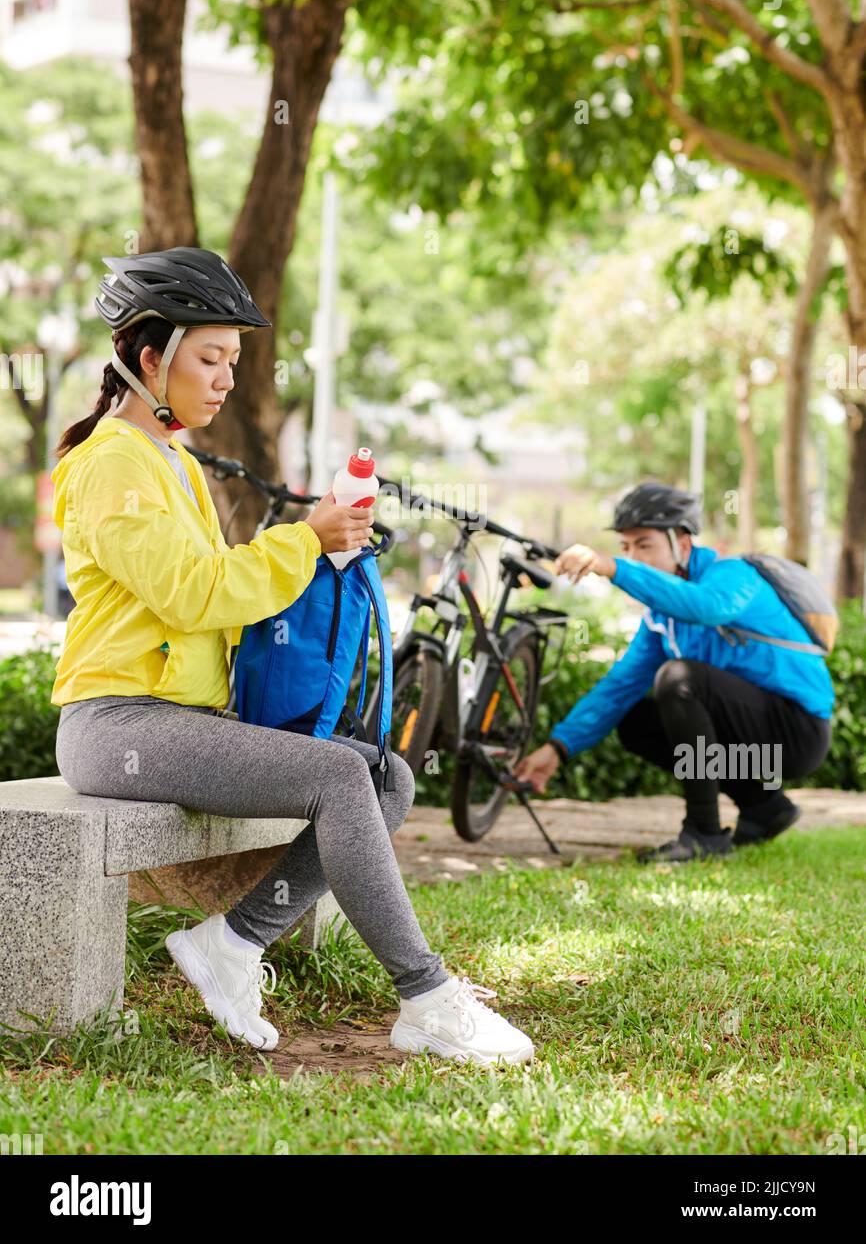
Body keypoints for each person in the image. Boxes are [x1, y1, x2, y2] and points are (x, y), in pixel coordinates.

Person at [51, 246, 532, 1065]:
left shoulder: (172, 461)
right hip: (116, 726)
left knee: (384, 773)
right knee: (338, 776)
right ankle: (426, 998)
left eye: (234, 360)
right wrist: (302, 540)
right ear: (146, 356)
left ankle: (233, 946)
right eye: (210, 357)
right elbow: (192, 592)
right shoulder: (111, 463)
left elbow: (222, 603)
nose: (226, 377)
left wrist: (321, 555)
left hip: (179, 720)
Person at [514, 482, 834, 863]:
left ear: (682, 545)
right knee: (634, 718)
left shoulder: (733, 575)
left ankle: (703, 834)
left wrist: (613, 567)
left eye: (644, 544)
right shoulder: (661, 622)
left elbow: (706, 606)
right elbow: (618, 688)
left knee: (679, 680)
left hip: (796, 735)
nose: (633, 556)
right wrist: (558, 748)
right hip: (751, 741)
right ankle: (764, 806)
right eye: (626, 547)